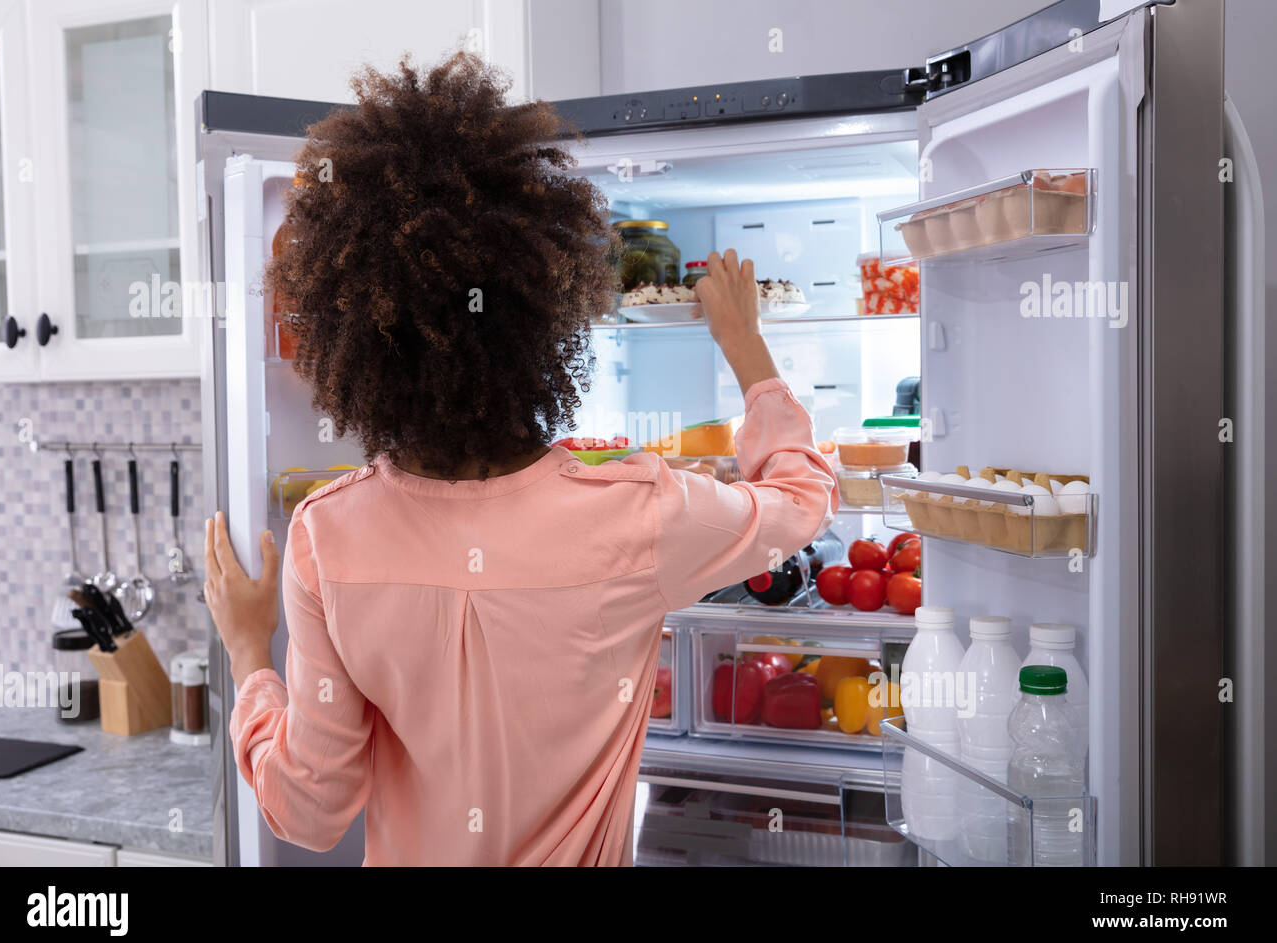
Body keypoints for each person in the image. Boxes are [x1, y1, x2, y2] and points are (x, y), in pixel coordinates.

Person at [203, 51, 836, 866]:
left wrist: (250, 647)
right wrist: (747, 349)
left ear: (348, 334)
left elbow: (311, 809)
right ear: (544, 310)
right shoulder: (635, 509)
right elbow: (799, 503)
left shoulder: (327, 537)